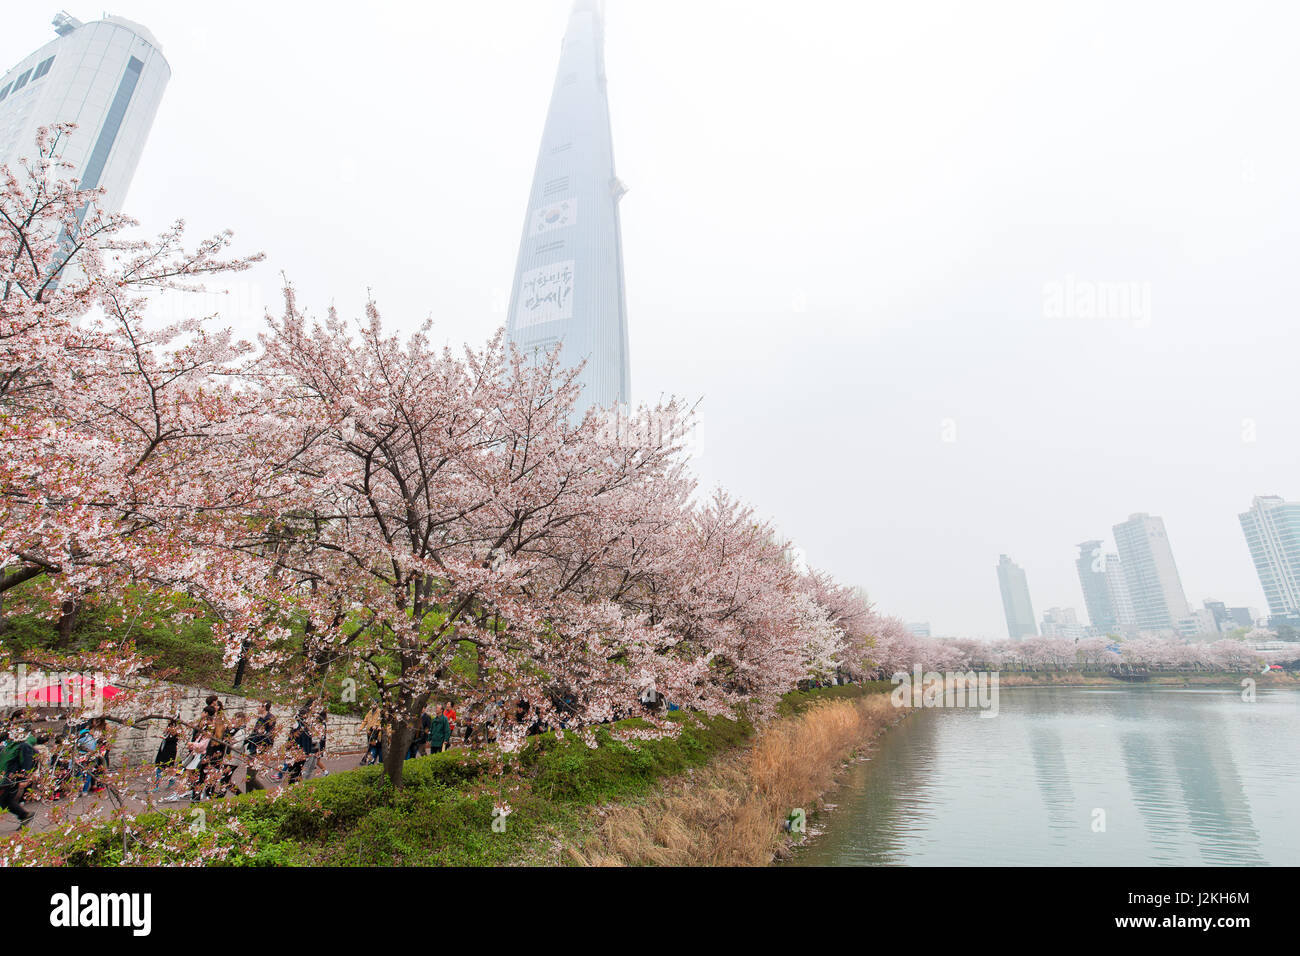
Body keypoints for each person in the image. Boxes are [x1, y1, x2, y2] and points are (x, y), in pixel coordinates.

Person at [0, 729, 36, 828]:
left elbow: (27, 762)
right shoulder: (9, 747)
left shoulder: (23, 746)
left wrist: (25, 778)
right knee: (5, 801)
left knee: (4, 800)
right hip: (4, 776)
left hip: (9, 778)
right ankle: (24, 815)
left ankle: (24, 815)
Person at [151, 718, 181, 793]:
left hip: (169, 751)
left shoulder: (176, 730)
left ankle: (157, 785)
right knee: (163, 768)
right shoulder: (168, 728)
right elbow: (164, 734)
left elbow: (172, 739)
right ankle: (170, 780)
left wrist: (165, 736)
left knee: (164, 768)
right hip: (163, 750)